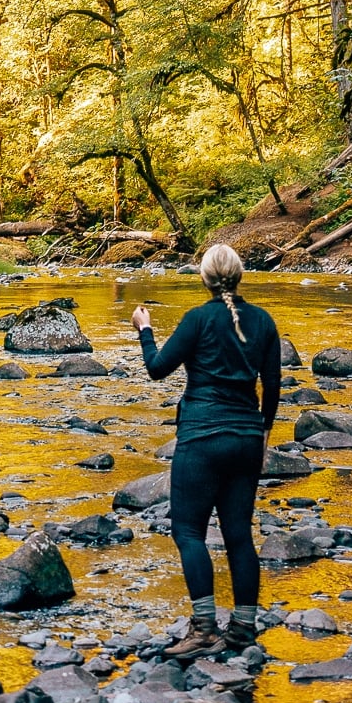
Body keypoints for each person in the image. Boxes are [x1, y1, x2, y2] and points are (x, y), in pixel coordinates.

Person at [132, 242, 281, 661]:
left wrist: (144, 329)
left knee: (189, 532)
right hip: (246, 438)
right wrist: (263, 430)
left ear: (205, 278)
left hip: (200, 437)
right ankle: (243, 629)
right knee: (238, 534)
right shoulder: (263, 321)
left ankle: (203, 629)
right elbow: (272, 386)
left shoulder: (197, 319)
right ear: (239, 276)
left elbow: (157, 368)